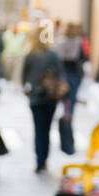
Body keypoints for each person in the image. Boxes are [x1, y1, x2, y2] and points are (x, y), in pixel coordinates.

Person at [22, 25, 65, 173]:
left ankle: (40, 160)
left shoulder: (30, 55)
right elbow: (60, 74)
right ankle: (44, 159)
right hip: (49, 97)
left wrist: (27, 89)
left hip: (35, 97)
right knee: (46, 130)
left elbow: (24, 77)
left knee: (39, 129)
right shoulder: (52, 55)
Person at [56, 21, 86, 155]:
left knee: (66, 107)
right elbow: (83, 58)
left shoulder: (61, 41)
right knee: (69, 108)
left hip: (64, 75)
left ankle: (67, 139)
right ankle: (68, 140)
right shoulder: (78, 42)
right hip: (73, 76)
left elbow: (57, 60)